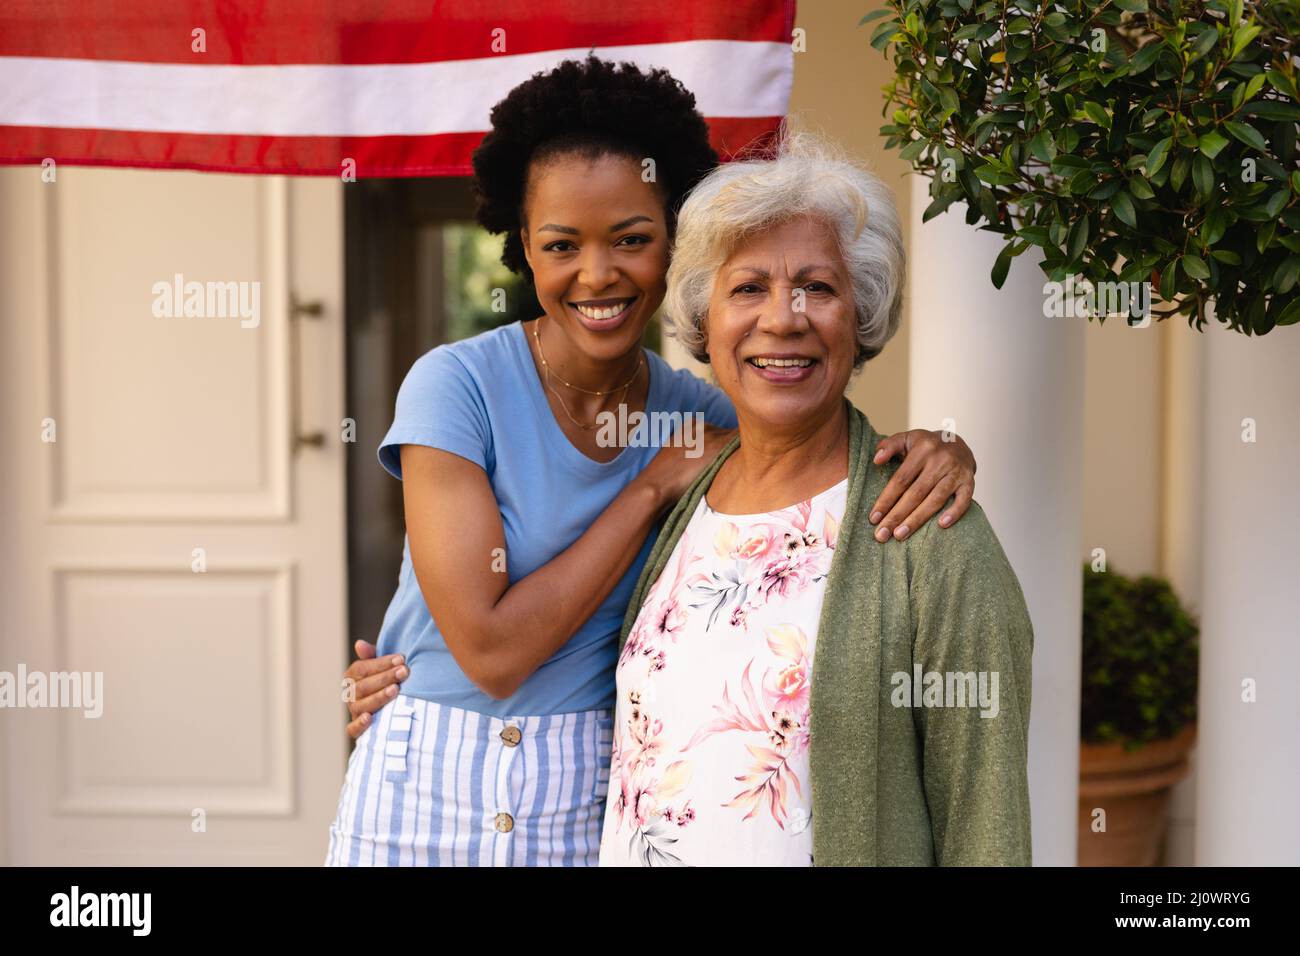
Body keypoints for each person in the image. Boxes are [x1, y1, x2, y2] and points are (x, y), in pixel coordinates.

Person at [327, 57, 980, 867]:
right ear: (523, 248)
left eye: (631, 240)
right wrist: (645, 491)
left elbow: (811, 430)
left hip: (591, 781)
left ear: (675, 239)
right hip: (429, 774)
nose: (597, 274)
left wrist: (941, 447)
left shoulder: (707, 415)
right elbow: (492, 655)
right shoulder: (456, 386)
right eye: (562, 244)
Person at [599, 132, 1034, 866]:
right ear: (706, 321)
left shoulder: (933, 532)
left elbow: (984, 818)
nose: (783, 318)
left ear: (859, 318)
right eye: (747, 288)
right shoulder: (682, 503)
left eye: (818, 288)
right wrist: (403, 671)